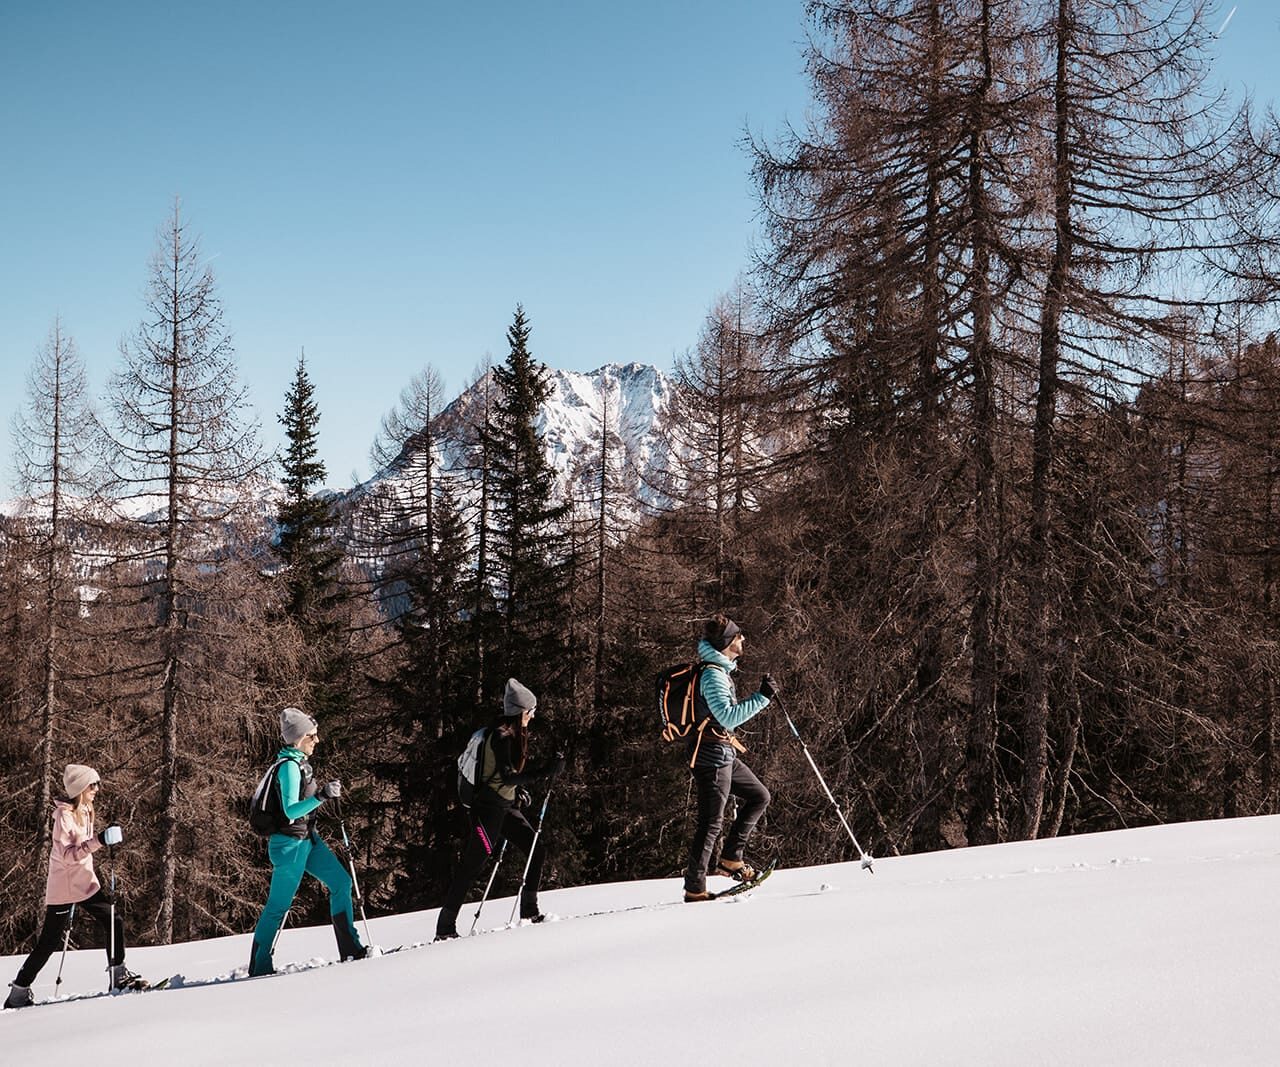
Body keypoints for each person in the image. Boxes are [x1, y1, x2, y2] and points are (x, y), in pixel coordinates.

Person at [4, 764, 146, 1008]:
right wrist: (99, 840)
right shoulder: (63, 817)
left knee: (114, 920)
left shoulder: (86, 810)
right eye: (92, 785)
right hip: (65, 885)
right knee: (49, 942)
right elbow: (68, 855)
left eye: (97, 784)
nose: (97, 789)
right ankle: (18, 992)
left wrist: (105, 836)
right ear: (80, 788)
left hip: (84, 881)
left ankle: (118, 976)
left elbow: (84, 846)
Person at [435, 678, 564, 940]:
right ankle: (445, 927)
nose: (533, 715)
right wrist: (545, 772)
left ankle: (529, 911)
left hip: (503, 807)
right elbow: (506, 776)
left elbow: (504, 777)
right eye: (531, 710)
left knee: (536, 850)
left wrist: (517, 792)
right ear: (520, 711)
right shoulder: (501, 736)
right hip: (486, 811)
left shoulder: (512, 733)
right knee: (472, 865)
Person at [247, 707, 367, 977]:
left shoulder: (299, 763)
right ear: (299, 738)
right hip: (289, 845)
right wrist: (322, 796)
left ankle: (351, 948)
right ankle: (259, 965)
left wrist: (322, 796)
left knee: (341, 883)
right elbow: (290, 811)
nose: (317, 740)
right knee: (278, 906)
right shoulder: (289, 768)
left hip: (307, 840)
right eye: (312, 736)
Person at [683, 614, 777, 902]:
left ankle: (731, 859)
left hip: (722, 754)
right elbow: (727, 718)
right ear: (726, 643)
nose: (743, 639)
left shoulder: (718, 671)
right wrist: (762, 697)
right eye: (738, 636)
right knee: (711, 822)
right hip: (711, 757)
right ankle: (695, 888)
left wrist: (762, 696)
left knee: (759, 796)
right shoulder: (712, 675)